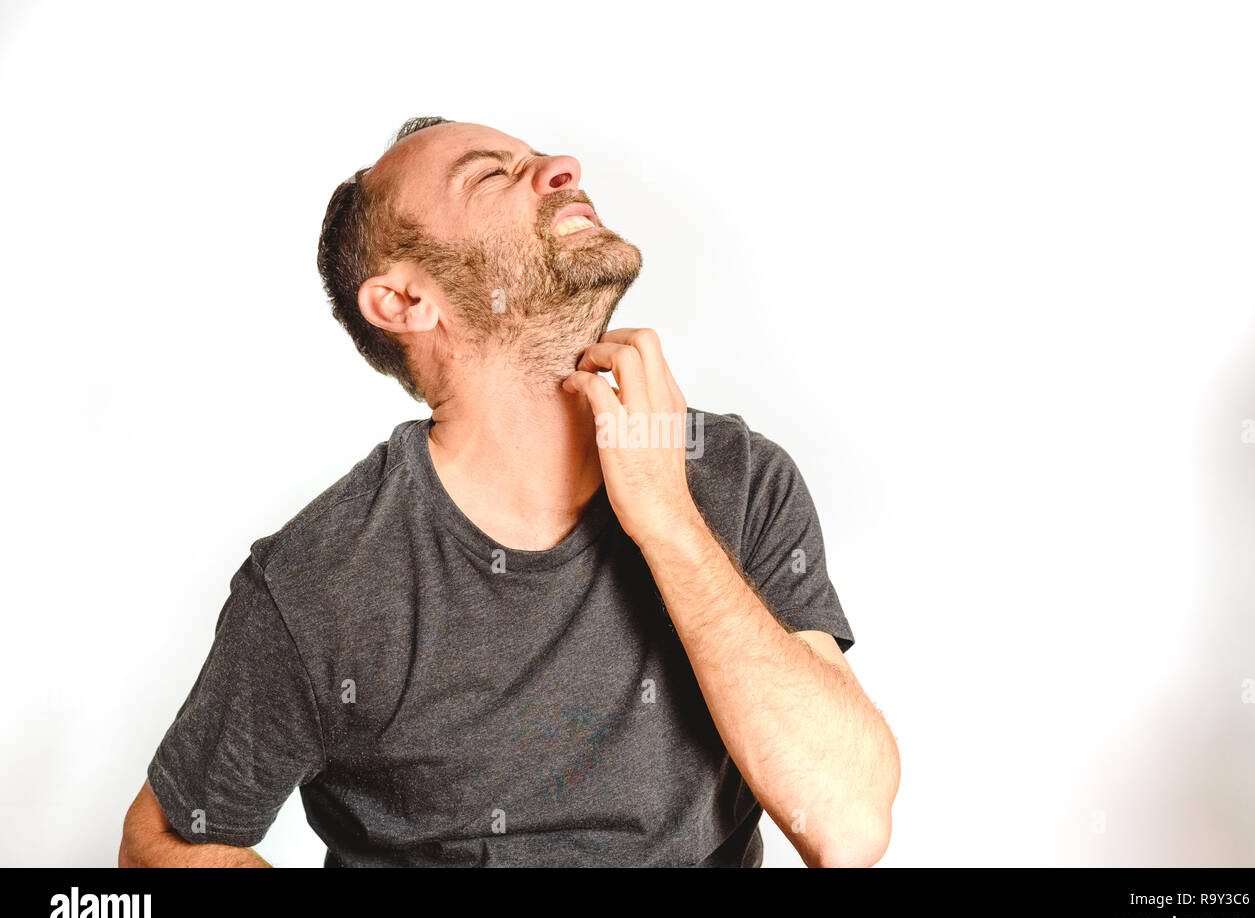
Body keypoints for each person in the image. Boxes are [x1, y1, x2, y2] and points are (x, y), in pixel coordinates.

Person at [119, 117, 900, 867]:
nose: (563, 169)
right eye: (492, 173)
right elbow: (164, 841)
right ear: (405, 302)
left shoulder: (737, 479)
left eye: (537, 158)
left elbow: (848, 828)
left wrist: (668, 519)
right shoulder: (320, 584)